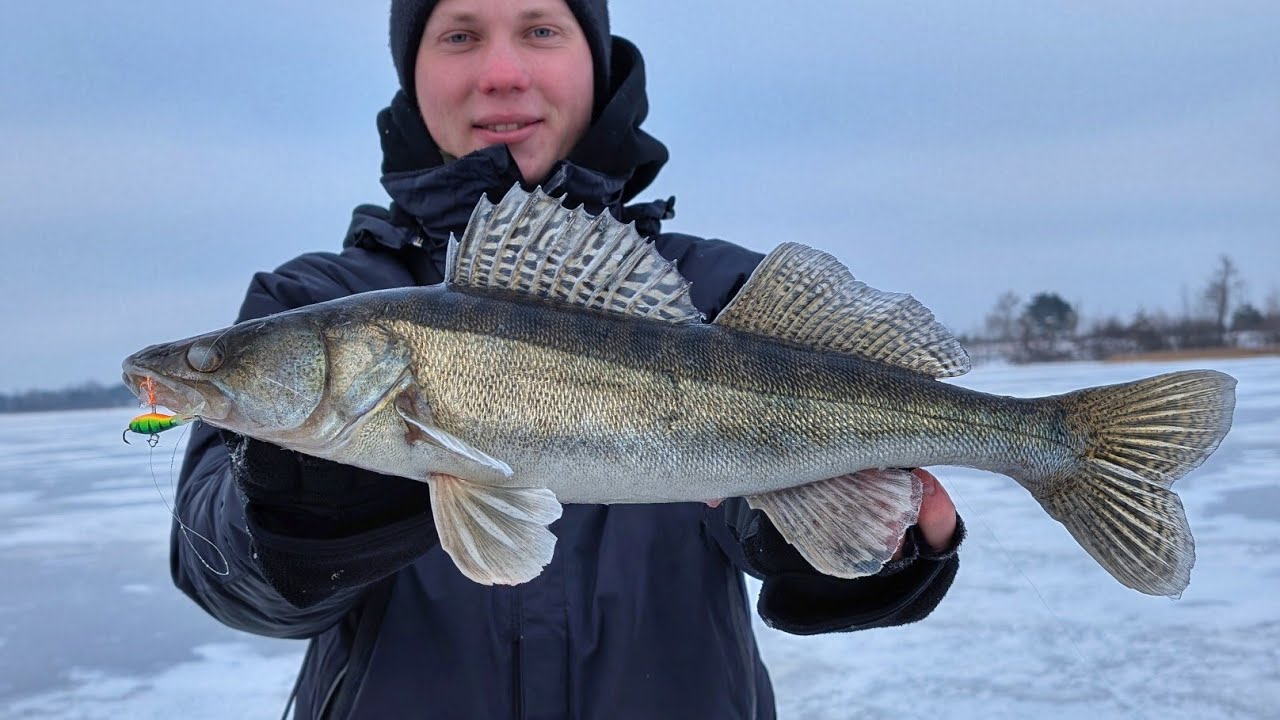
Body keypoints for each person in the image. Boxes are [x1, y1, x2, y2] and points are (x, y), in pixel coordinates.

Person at [173, 1, 965, 717]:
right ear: (410, 76)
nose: (502, 72)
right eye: (459, 35)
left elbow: (792, 543)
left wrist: (853, 551)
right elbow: (214, 567)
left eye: (540, 29)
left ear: (599, 59)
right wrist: (294, 531)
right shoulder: (308, 297)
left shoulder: (722, 296)